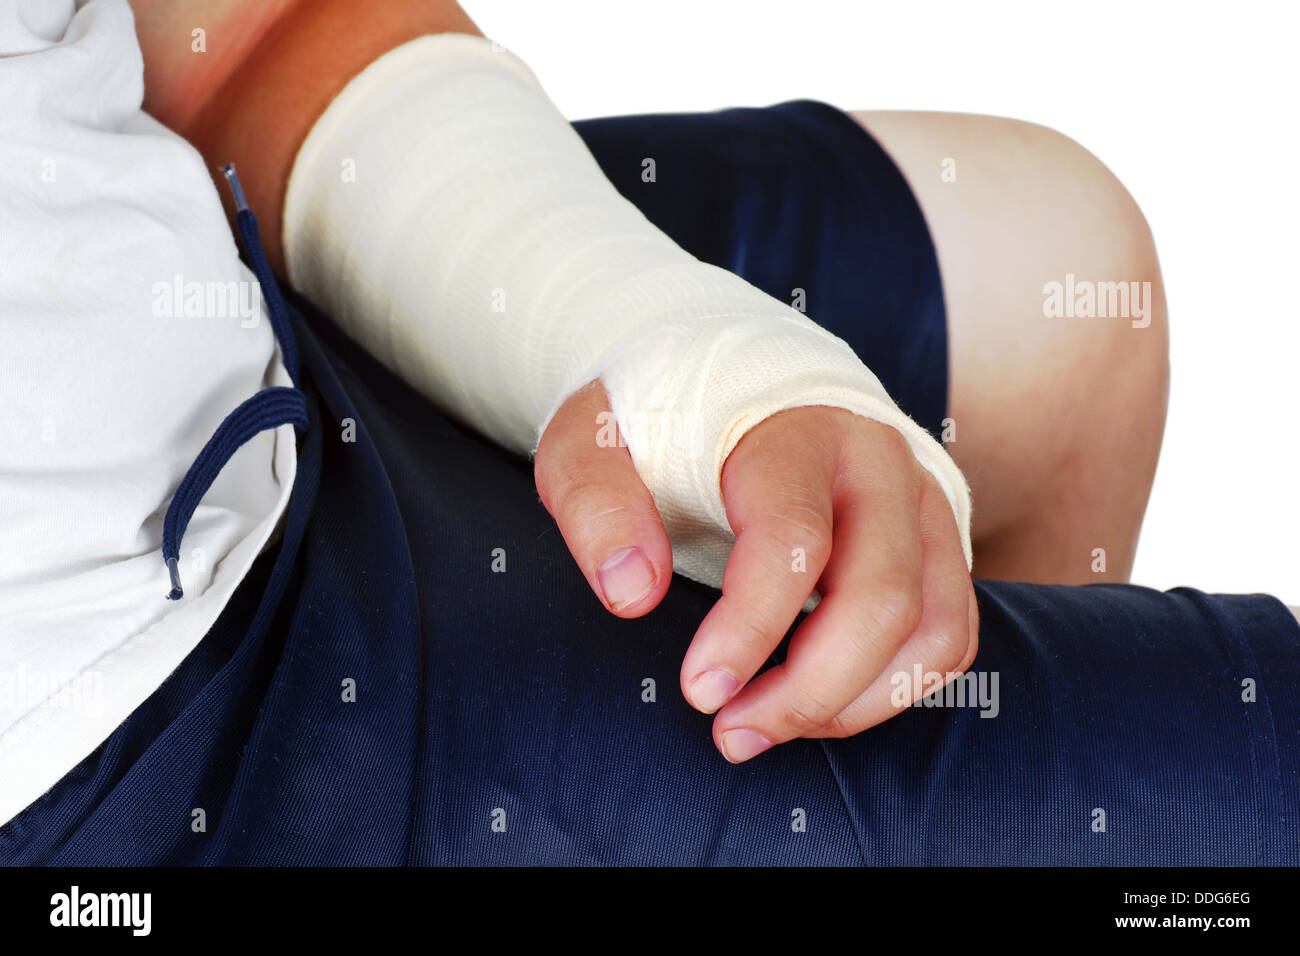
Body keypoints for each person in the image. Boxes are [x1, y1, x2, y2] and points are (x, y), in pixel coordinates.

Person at [0, 0, 1296, 865]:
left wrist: (666, 355)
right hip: (118, 768)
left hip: (217, 370)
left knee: (1055, 279)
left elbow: (242, 36)